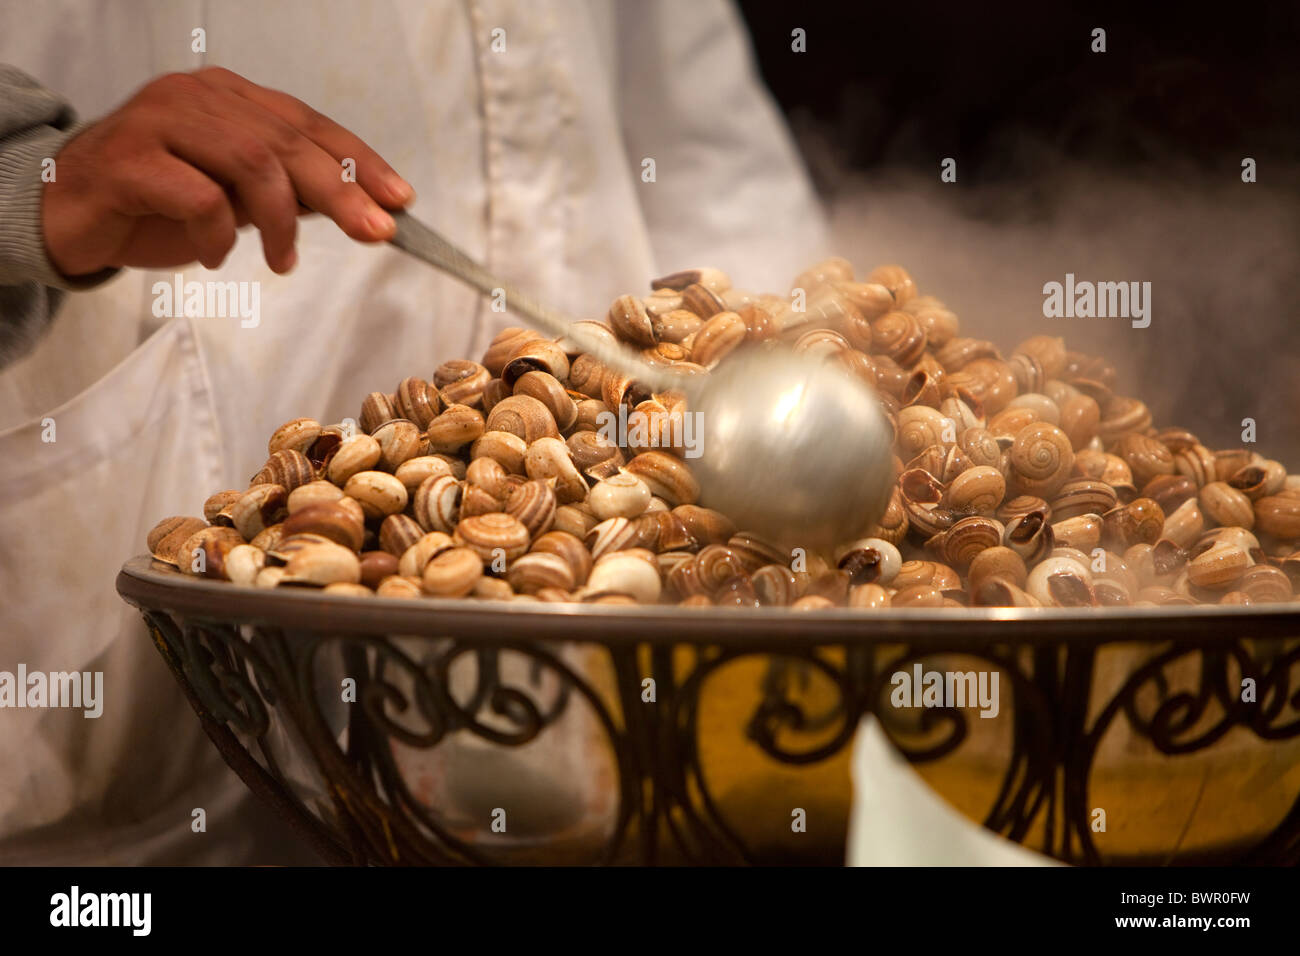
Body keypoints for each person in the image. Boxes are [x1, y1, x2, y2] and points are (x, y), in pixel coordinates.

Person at [0, 0, 827, 864]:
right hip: (150, 735)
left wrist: (780, 382)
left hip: (617, 633)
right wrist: (30, 178)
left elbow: (701, 141)